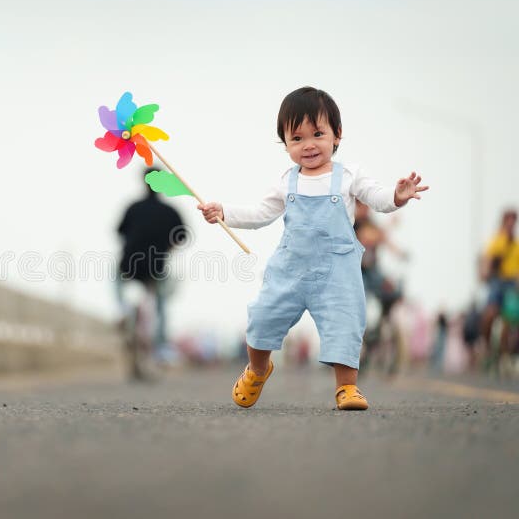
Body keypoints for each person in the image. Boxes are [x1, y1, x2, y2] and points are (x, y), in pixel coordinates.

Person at [197, 86, 429, 410]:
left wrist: (396, 196)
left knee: (345, 324)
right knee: (262, 317)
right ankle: (258, 368)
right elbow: (261, 213)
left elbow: (376, 196)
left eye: (318, 134)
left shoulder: (349, 176)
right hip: (290, 270)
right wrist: (225, 213)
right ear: (285, 143)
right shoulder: (286, 181)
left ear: (337, 135)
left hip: (337, 273)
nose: (308, 145)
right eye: (297, 138)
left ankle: (347, 387)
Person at [116, 167, 187, 373]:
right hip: (156, 266)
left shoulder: (133, 208)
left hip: (129, 263)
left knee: (116, 282)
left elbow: (120, 231)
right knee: (161, 305)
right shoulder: (170, 212)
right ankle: (161, 346)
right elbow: (182, 237)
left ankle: (121, 310)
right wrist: (166, 247)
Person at [480, 209, 518, 355]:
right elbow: (487, 259)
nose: (511, 224)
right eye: (509, 221)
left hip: (510, 283)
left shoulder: (516, 245)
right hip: (497, 281)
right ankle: (487, 345)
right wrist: (484, 272)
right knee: (490, 314)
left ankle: (503, 353)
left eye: (513, 221)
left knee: (508, 320)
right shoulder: (497, 240)